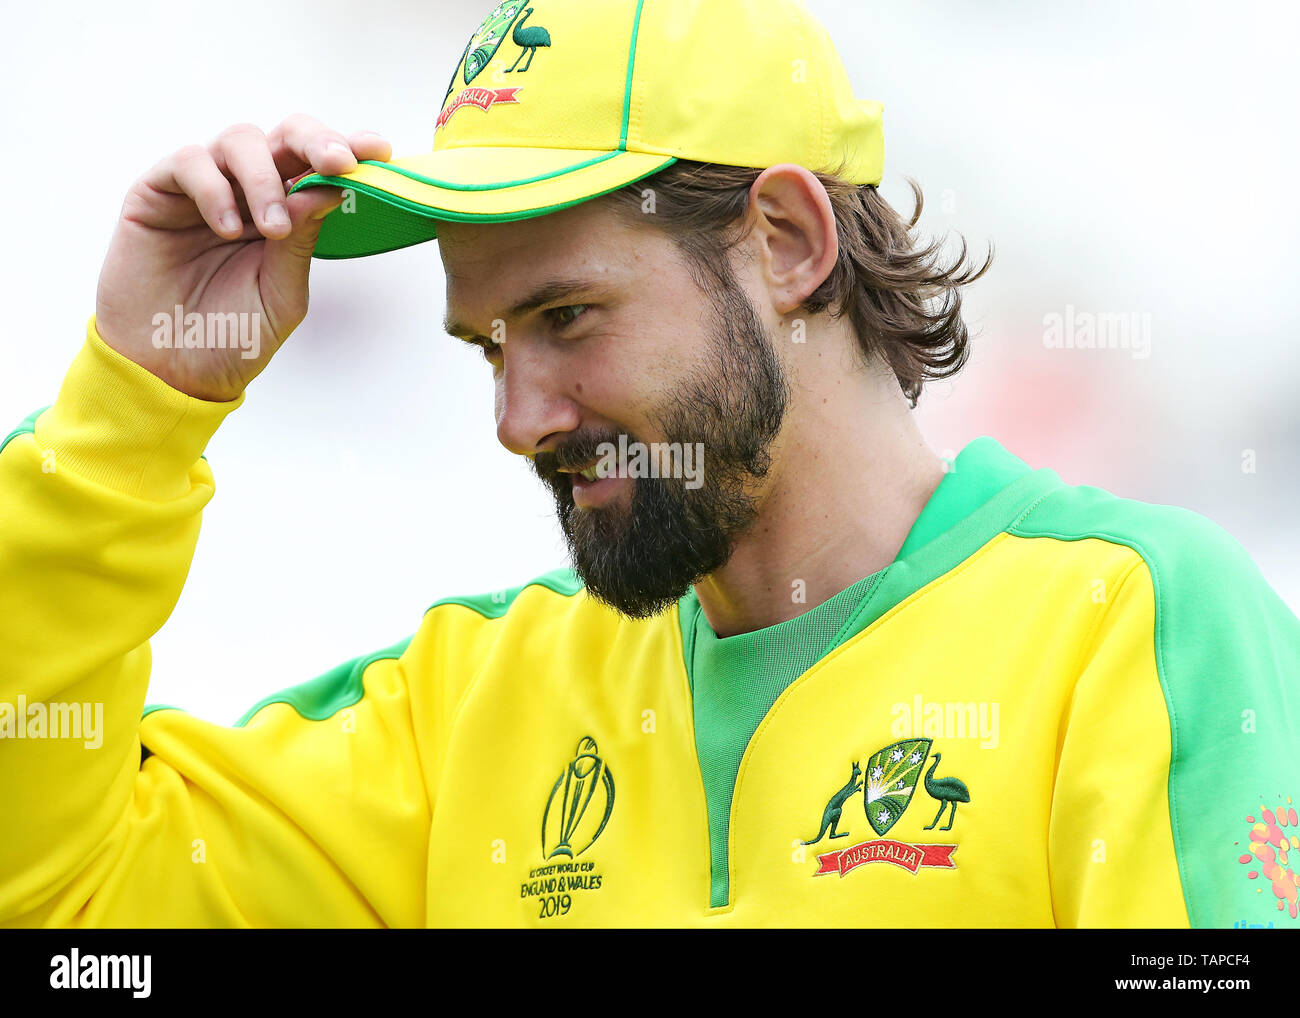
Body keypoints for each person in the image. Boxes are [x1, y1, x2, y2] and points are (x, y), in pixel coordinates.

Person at [2, 0, 1297, 929]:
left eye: (568, 318)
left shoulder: (1133, 626)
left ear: (787, 241)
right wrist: (140, 395)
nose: (518, 416)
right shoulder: (472, 707)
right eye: (489, 345)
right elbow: (61, 902)